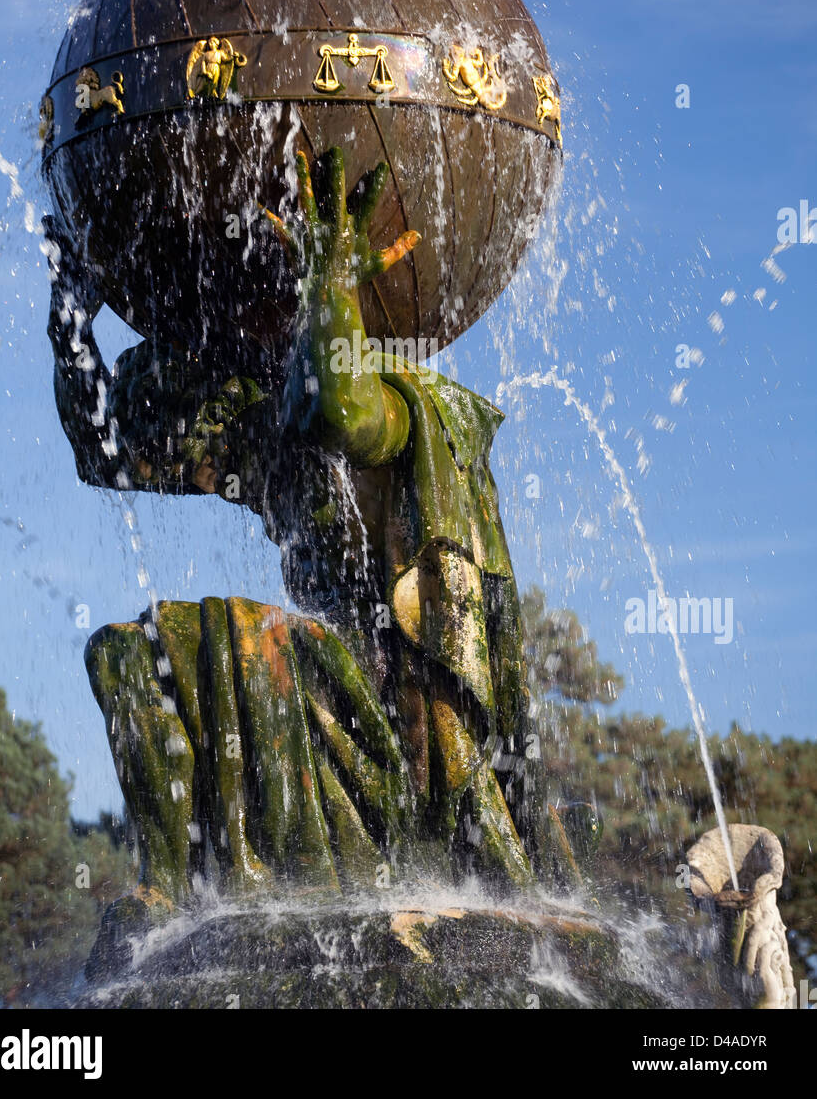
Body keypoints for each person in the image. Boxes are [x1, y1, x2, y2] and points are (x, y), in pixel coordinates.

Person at [46, 147, 547, 904]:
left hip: (403, 717)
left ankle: (278, 884)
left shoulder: (409, 405)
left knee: (255, 643)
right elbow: (107, 457)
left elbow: (338, 411)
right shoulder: (264, 418)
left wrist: (330, 273)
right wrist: (68, 327)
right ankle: (165, 900)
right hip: (323, 679)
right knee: (122, 655)